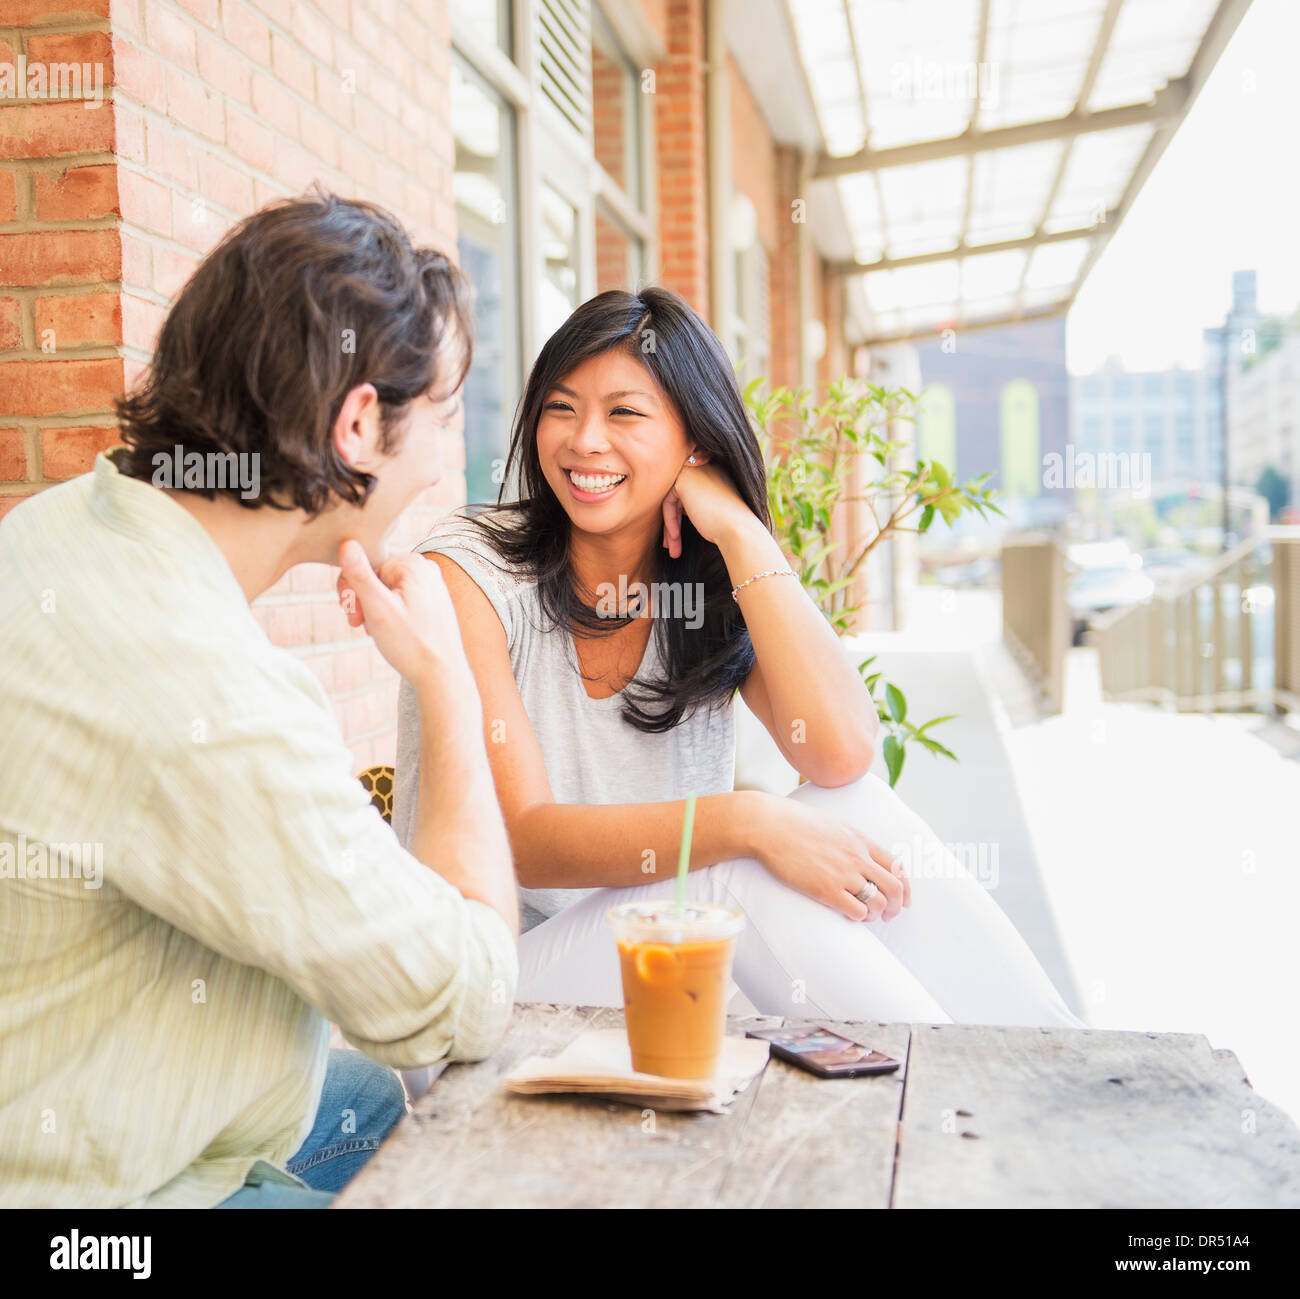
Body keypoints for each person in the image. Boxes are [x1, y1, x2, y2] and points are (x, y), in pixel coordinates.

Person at [0, 193, 519, 1209]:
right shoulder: (209, 692)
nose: (444, 463)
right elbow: (465, 995)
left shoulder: (60, 527)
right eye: (443, 421)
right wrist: (448, 681)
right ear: (360, 424)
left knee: (363, 1090)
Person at [393, 286, 1083, 1029]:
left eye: (624, 412)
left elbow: (843, 754)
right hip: (483, 998)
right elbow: (522, 837)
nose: (584, 440)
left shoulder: (707, 582)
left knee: (853, 809)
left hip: (649, 970)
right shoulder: (470, 571)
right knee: (726, 866)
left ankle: (1053, 1056)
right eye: (561, 408)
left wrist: (742, 532)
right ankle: (950, 1093)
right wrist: (747, 821)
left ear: (695, 440)